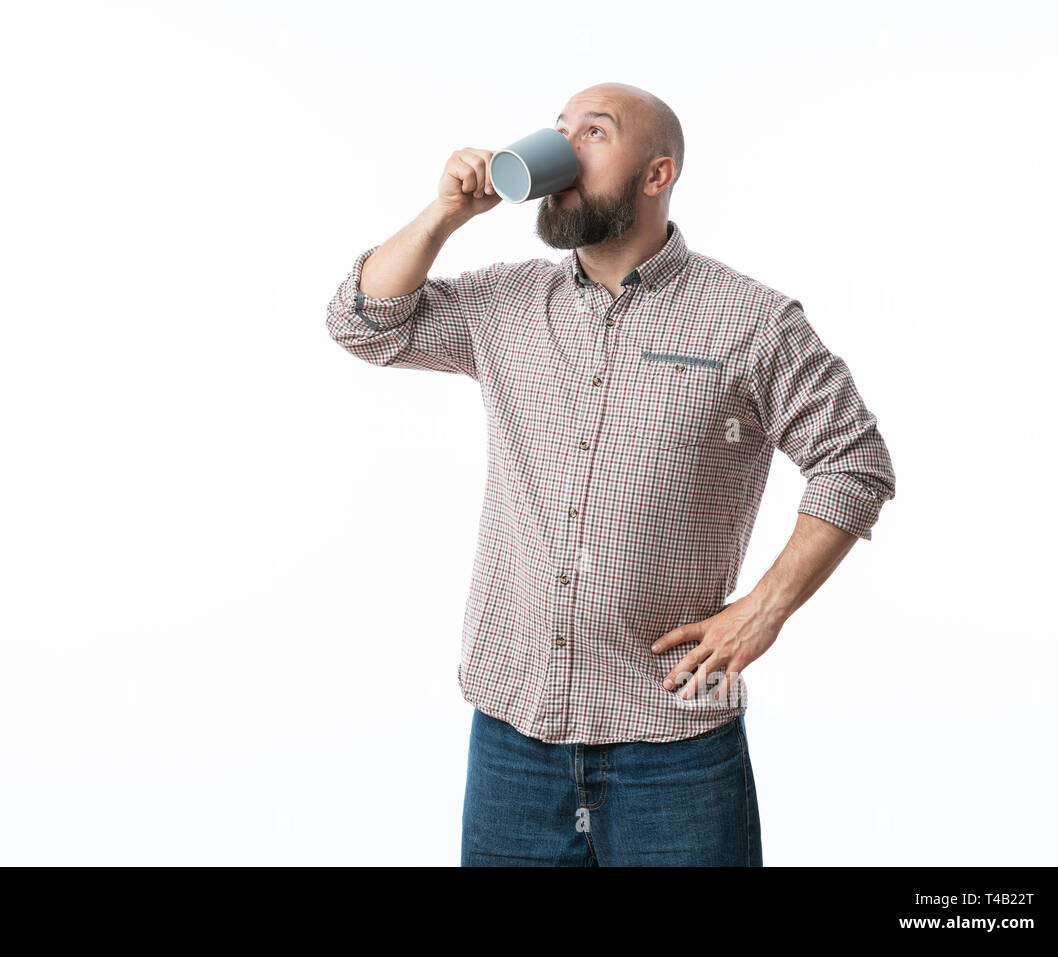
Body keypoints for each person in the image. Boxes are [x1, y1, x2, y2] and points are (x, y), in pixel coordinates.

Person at [324, 82, 897, 866]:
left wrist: (765, 610)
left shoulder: (750, 321)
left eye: (593, 133)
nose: (560, 148)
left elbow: (853, 461)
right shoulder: (504, 302)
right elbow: (361, 323)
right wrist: (445, 216)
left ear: (656, 174)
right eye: (557, 129)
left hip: (675, 747)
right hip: (512, 743)